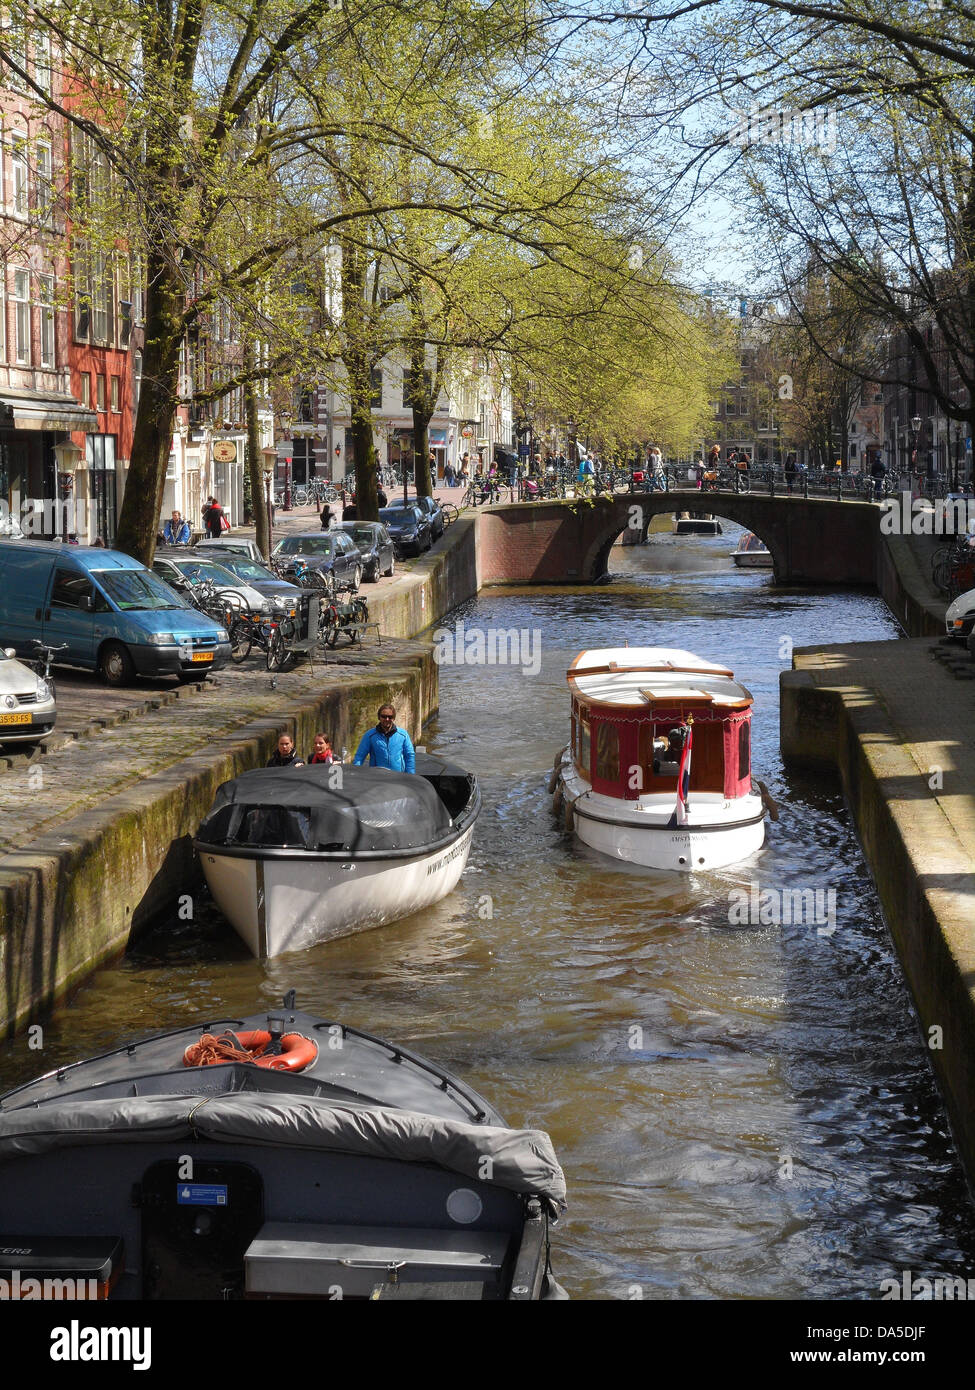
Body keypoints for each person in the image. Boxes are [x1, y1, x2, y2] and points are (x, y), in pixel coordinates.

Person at [352, 703, 416, 772]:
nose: (387, 719)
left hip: (398, 777)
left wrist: (410, 776)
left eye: (390, 717)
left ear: (394, 718)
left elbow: (409, 756)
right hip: (378, 777)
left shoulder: (403, 735)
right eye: (384, 716)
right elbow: (359, 756)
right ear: (379, 717)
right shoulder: (370, 736)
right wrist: (355, 773)